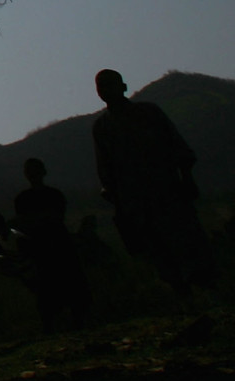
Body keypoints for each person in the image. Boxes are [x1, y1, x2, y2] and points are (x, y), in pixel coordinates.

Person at [91, 68, 214, 291]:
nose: (106, 90)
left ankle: (206, 295)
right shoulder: (102, 127)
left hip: (167, 193)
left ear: (123, 86)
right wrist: (120, 206)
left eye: (110, 84)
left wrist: (186, 179)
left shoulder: (148, 113)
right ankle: (185, 298)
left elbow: (178, 149)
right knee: (160, 257)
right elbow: (106, 171)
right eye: (102, 86)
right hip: (136, 204)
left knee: (189, 249)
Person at [13, 157, 90, 330]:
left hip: (48, 246)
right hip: (49, 246)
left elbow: (27, 222)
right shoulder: (52, 195)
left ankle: (66, 323)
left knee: (56, 287)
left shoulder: (25, 199)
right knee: (60, 287)